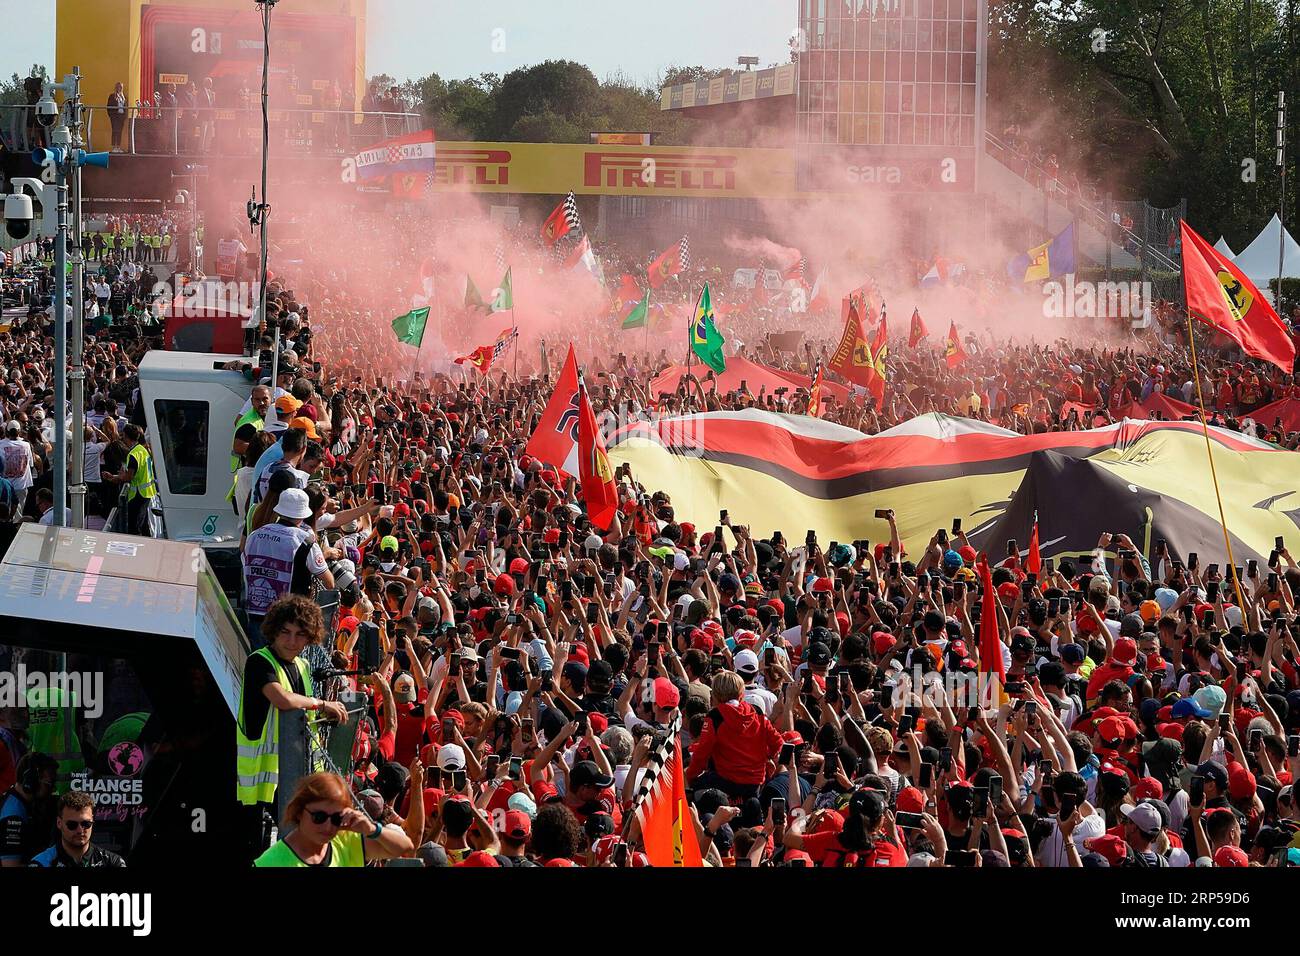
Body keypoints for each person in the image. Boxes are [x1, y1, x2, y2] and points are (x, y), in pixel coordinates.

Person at [237, 595, 348, 857]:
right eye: (285, 632)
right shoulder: (259, 662)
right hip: (261, 784)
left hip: (294, 775)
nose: (291, 641)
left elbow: (303, 713)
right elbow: (283, 699)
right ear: (273, 631)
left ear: (309, 637)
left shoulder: (301, 664)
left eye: (300, 635)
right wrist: (322, 704)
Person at [253, 771, 412, 866]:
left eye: (336, 818)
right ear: (299, 812)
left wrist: (371, 829)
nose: (328, 826)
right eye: (319, 817)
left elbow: (405, 847)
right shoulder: (271, 862)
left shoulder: (346, 842)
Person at [241, 487, 334, 648]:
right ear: (304, 514)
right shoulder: (305, 541)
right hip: (288, 622)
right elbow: (329, 582)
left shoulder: (254, 535)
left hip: (254, 614)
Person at [29, 790, 125, 867]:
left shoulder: (112, 862)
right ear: (59, 823)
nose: (80, 830)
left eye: (86, 823)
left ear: (92, 821)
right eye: (72, 824)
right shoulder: (41, 863)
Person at [0, 752, 57, 866]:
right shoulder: (13, 814)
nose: (52, 790)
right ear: (31, 782)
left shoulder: (18, 801)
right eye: (48, 785)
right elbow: (11, 865)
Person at [105, 422, 157, 537]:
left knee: (135, 527)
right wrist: (115, 477)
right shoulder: (143, 450)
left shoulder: (133, 454)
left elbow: (128, 477)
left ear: (126, 436)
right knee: (144, 525)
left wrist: (116, 477)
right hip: (147, 493)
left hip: (138, 495)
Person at [107, 82, 127, 152]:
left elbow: (125, 106)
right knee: (115, 130)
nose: (120, 88)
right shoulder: (112, 96)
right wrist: (111, 115)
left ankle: (118, 146)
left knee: (119, 131)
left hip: (121, 116)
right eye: (118, 87)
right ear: (116, 88)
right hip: (115, 116)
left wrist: (125, 116)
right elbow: (108, 106)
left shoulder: (123, 96)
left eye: (121, 87)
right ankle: (114, 147)